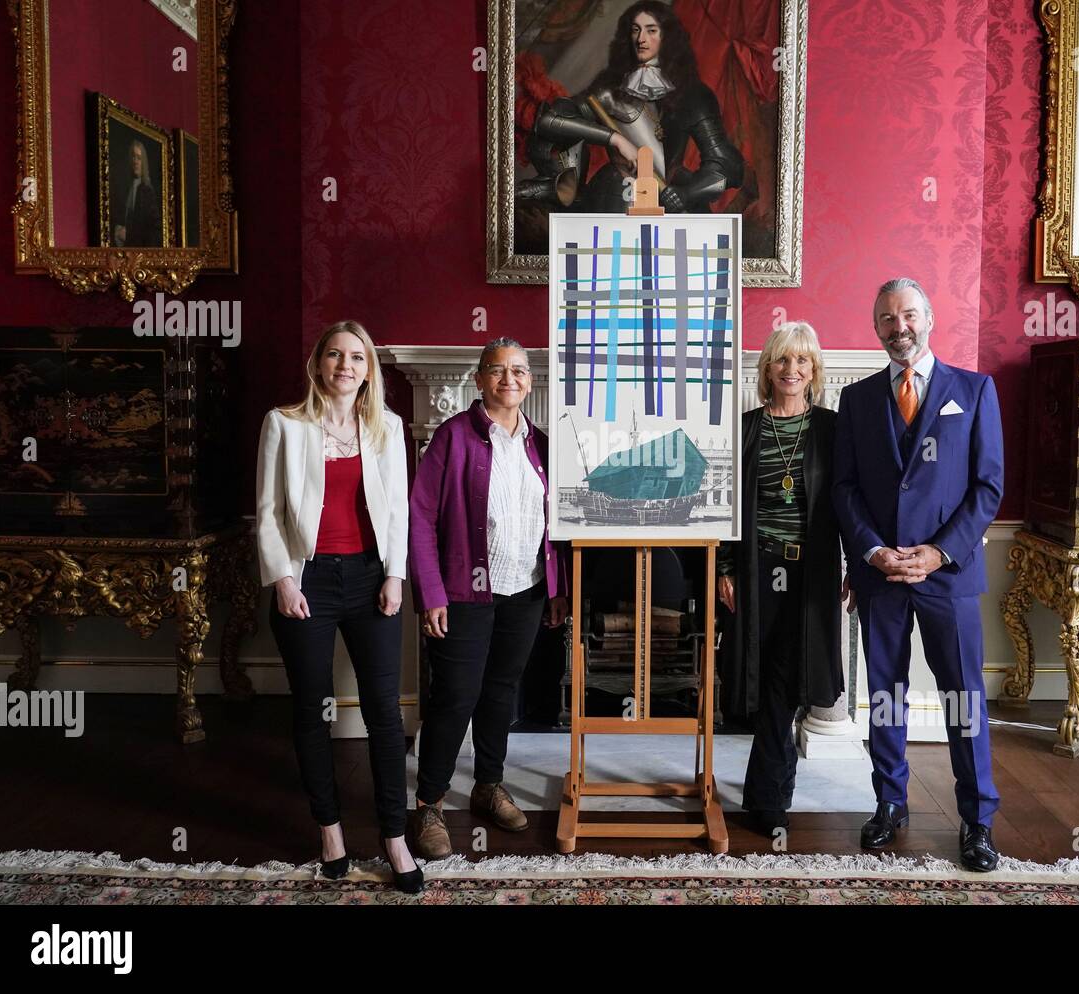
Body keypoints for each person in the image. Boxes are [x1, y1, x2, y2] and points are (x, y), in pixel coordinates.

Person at [832, 278, 1005, 872]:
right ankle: (890, 802)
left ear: (929, 319)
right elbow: (845, 488)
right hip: (881, 573)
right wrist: (873, 552)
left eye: (908, 315)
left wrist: (937, 552)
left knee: (962, 698)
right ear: (875, 328)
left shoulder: (975, 390)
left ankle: (977, 820)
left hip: (947, 575)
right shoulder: (855, 401)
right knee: (885, 696)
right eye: (886, 318)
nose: (897, 326)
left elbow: (988, 488)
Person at [256, 320, 422, 893]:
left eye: (357, 357)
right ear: (318, 364)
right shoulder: (283, 424)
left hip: (372, 580)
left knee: (385, 712)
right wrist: (281, 579)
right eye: (335, 355)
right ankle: (330, 832)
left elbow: (397, 510)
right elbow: (268, 512)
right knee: (311, 707)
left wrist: (397, 576)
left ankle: (394, 837)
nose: (346, 365)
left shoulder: (388, 429)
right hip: (307, 580)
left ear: (368, 369)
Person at [408, 338, 569, 859]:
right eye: (497, 371)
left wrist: (555, 589)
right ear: (479, 379)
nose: (509, 380)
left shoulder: (541, 443)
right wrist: (430, 592)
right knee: (456, 695)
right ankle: (429, 803)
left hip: (524, 591)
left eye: (519, 371)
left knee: (502, 691)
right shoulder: (452, 437)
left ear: (529, 381)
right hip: (465, 592)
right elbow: (419, 517)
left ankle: (487, 786)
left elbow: (556, 526)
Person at [718, 322, 851, 836]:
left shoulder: (833, 430)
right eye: (781, 361)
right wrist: (726, 568)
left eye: (802, 362)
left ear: (814, 370)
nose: (791, 370)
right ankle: (770, 791)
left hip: (811, 571)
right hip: (757, 568)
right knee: (765, 673)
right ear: (766, 369)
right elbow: (725, 505)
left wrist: (857, 567)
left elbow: (848, 506)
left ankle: (767, 793)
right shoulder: (745, 428)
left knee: (792, 679)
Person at [525, 1, 744, 213]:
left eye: (651, 31)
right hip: (616, 191)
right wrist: (615, 139)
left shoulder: (693, 94)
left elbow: (726, 165)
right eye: (636, 30)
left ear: (667, 36)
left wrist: (687, 194)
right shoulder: (609, 89)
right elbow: (551, 121)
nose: (641, 39)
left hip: (671, 195)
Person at [114, 139, 161, 247]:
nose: (135, 161)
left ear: (143, 162)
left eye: (139, 158)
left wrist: (128, 234)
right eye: (133, 157)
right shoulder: (125, 187)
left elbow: (152, 230)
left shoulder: (147, 191)